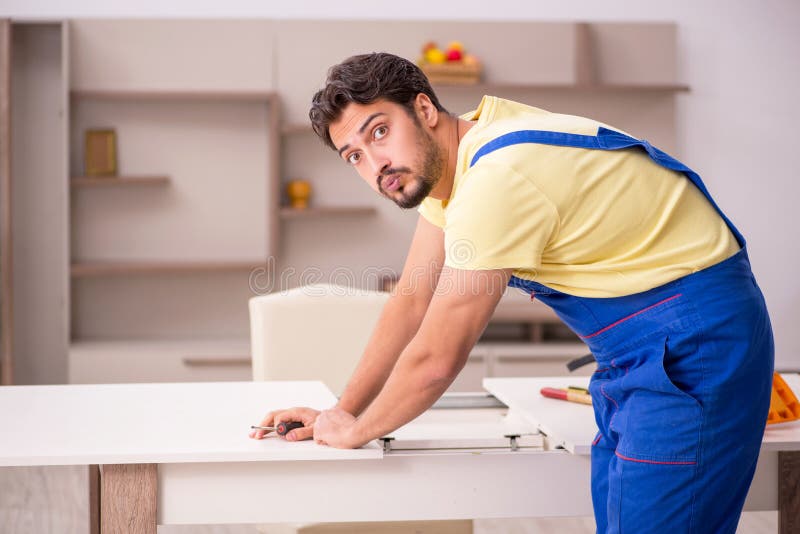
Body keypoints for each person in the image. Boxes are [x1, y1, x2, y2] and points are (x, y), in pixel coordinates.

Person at [249, 52, 774, 533]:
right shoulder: (455, 164)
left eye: (380, 131)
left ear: (425, 109)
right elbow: (411, 302)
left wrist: (356, 433)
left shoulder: (496, 177)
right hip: (640, 352)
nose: (375, 163)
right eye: (354, 156)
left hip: (694, 343)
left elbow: (436, 358)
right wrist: (343, 411)